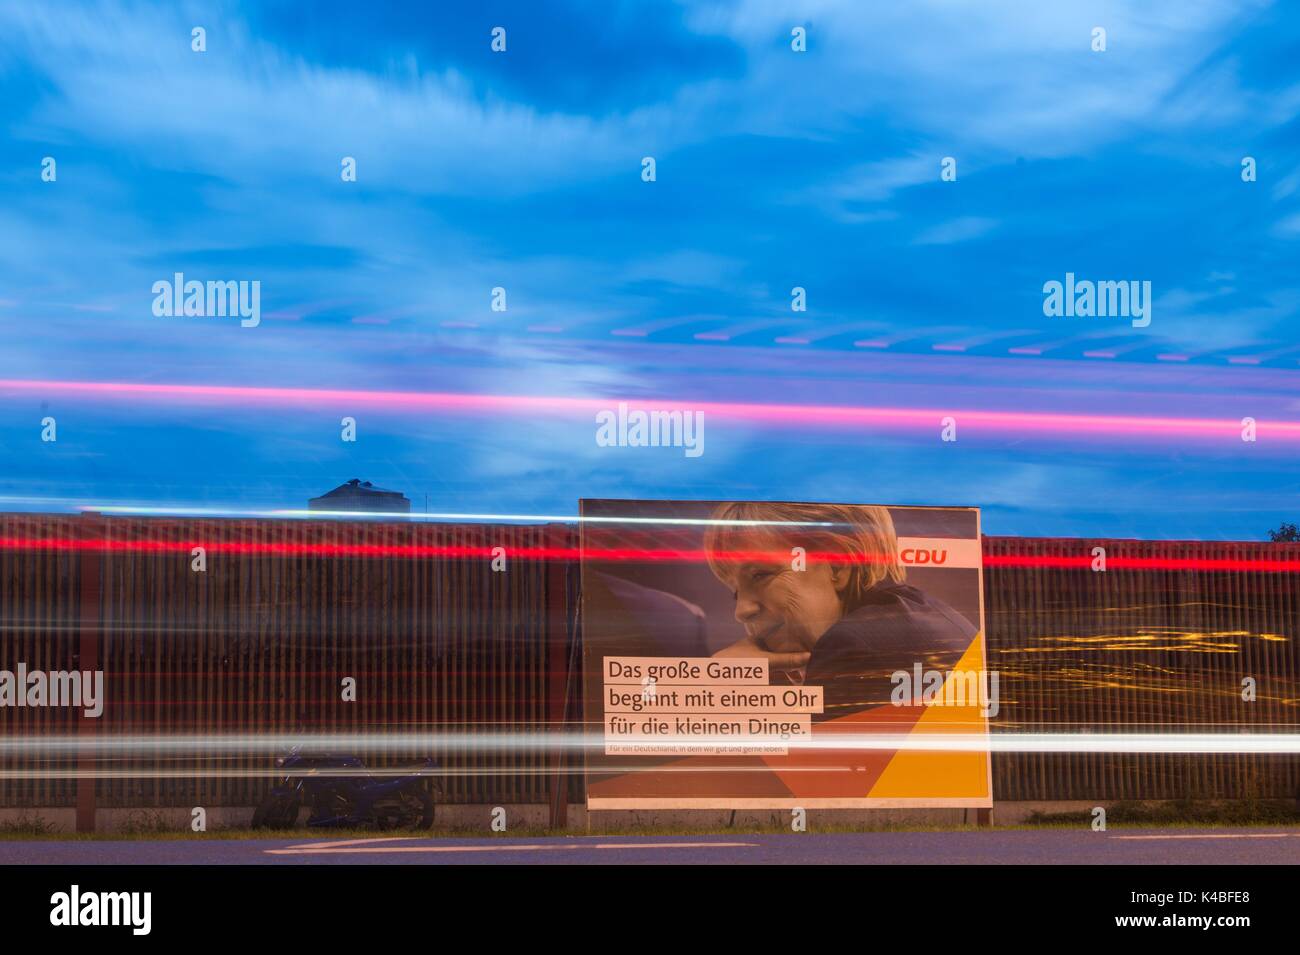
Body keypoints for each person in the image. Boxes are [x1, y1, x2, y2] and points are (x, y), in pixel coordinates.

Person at [703, 501, 976, 717]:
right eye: (735, 592)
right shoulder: (923, 616)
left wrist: (722, 692)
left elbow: (791, 782)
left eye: (760, 575)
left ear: (837, 564)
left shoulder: (853, 647)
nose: (741, 610)